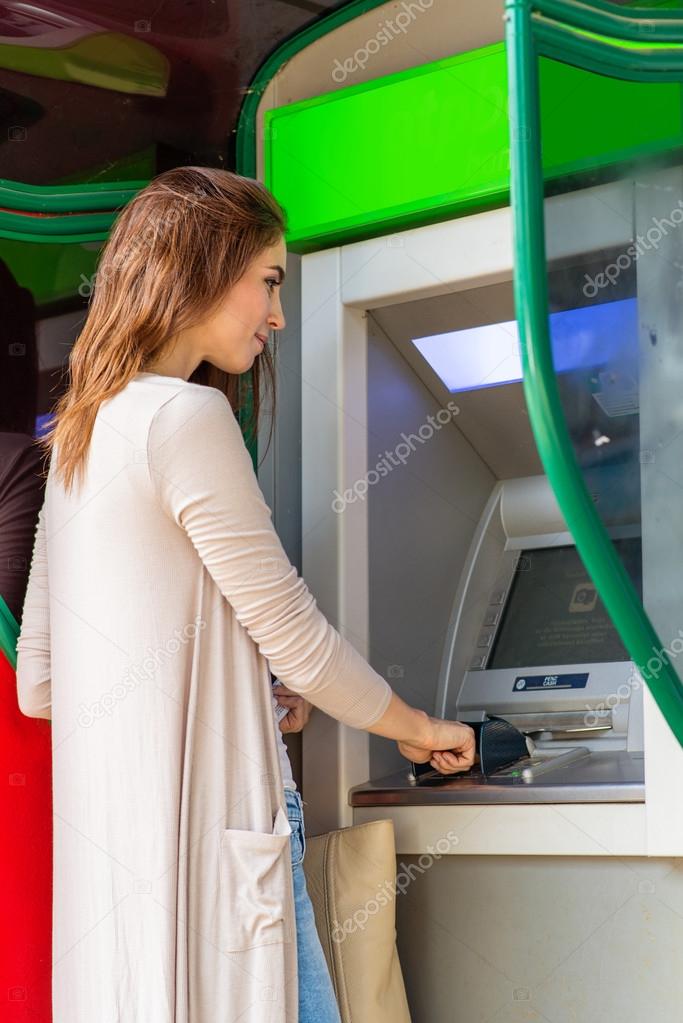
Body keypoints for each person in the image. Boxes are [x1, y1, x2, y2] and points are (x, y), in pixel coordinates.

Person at [15, 166, 476, 1023]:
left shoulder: (83, 430)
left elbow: (39, 681)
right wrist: (422, 730)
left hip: (114, 890)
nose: (278, 314)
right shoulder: (185, 417)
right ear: (202, 268)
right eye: (268, 281)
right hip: (217, 865)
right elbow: (295, 633)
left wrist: (242, 694)